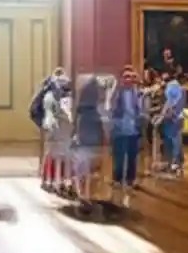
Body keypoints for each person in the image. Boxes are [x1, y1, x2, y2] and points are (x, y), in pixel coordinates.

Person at [108, 66, 144, 208]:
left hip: (133, 130)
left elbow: (139, 110)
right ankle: (117, 179)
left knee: (132, 157)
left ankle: (130, 180)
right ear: (122, 79)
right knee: (119, 156)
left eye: (131, 76)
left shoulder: (136, 92)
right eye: (126, 76)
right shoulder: (117, 92)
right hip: (120, 130)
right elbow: (111, 109)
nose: (129, 79)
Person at [71, 74, 106, 214]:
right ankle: (85, 195)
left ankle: (81, 194)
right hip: (92, 142)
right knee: (89, 171)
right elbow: (99, 126)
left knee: (81, 170)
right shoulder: (95, 109)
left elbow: (77, 126)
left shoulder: (81, 109)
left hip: (84, 142)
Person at [42, 76, 73, 194]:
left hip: (55, 129)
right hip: (64, 129)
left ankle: (55, 182)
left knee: (57, 157)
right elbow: (69, 115)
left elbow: (49, 113)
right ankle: (65, 182)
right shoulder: (67, 98)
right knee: (65, 157)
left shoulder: (49, 96)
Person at [159, 78, 187, 175]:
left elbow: (174, 106)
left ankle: (176, 162)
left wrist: (167, 114)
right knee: (173, 141)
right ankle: (174, 162)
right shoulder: (177, 90)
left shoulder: (177, 90)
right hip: (172, 119)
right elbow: (168, 103)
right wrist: (163, 115)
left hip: (176, 120)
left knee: (175, 141)